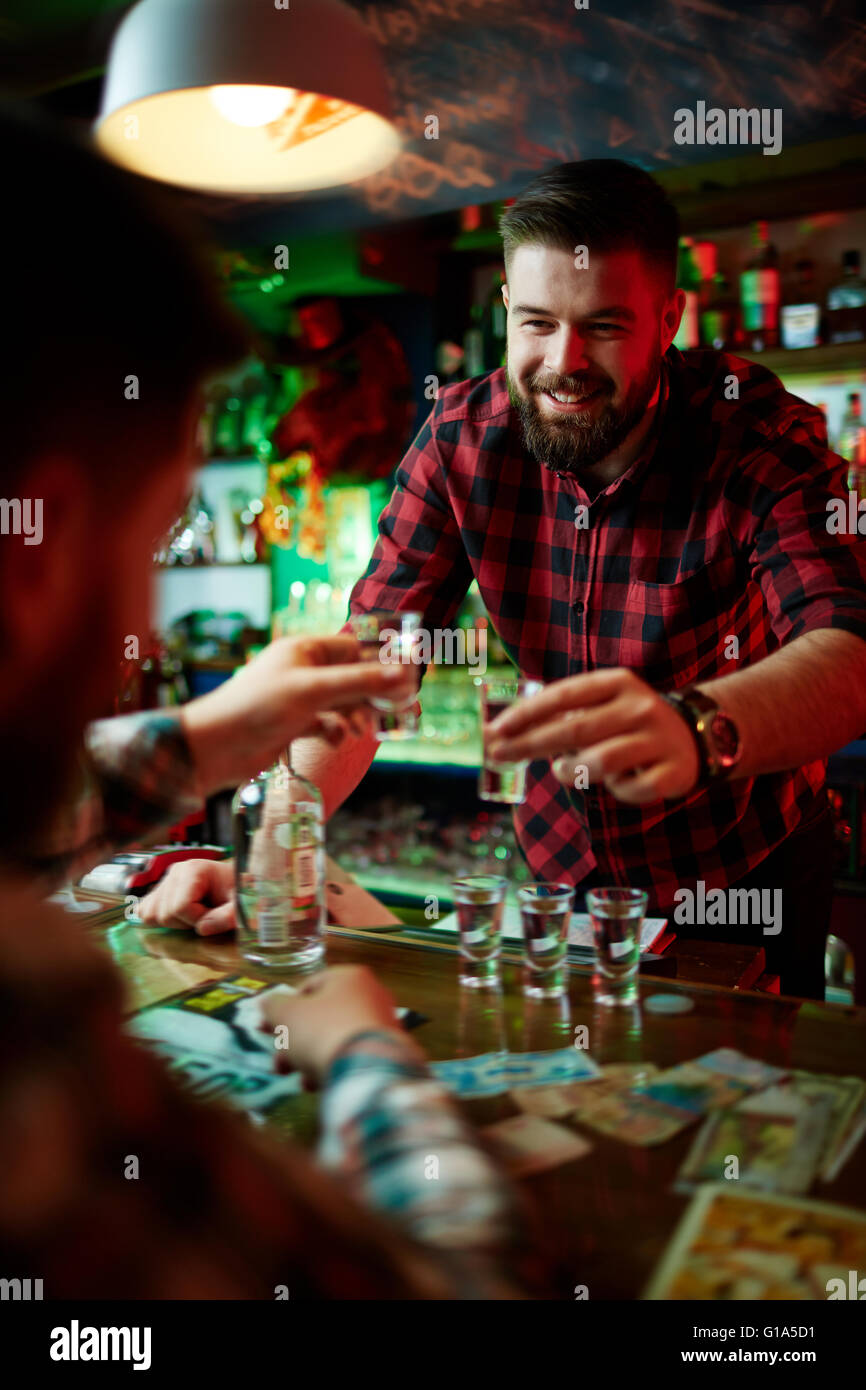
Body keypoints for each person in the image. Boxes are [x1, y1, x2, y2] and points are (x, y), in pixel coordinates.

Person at [0, 108, 541, 1299]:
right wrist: (362, 1050)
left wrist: (206, 739)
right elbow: (455, 1284)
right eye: (149, 546)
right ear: (37, 565)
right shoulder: (35, 1042)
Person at [153, 160, 866, 999]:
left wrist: (694, 729)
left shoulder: (755, 431)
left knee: (742, 1112)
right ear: (505, 310)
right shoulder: (459, 439)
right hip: (558, 866)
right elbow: (373, 661)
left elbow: (848, 647)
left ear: (669, 317)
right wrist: (281, 836)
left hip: (742, 866)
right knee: (568, 1102)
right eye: (537, 323)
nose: (564, 363)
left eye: (603, 325)